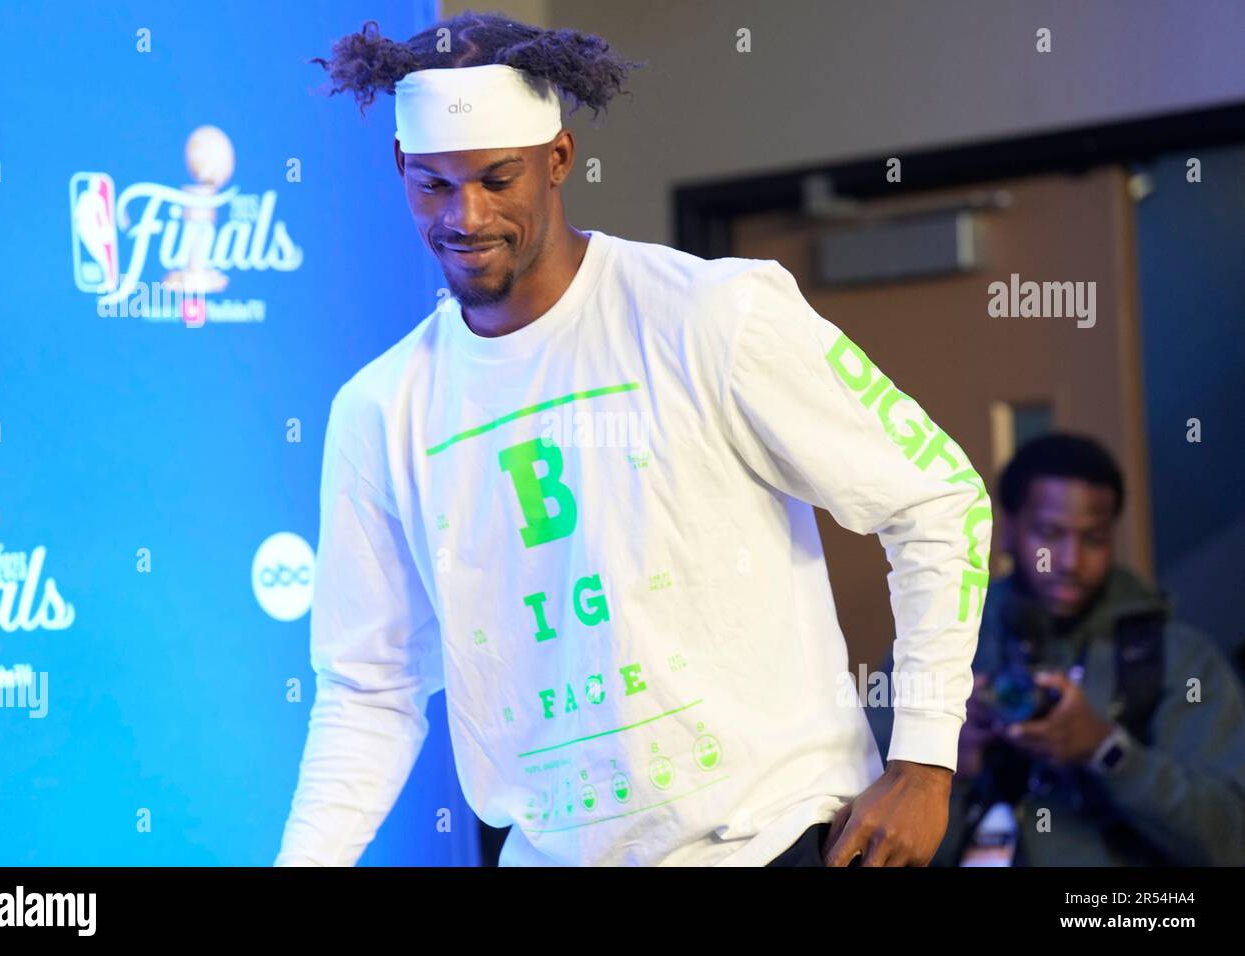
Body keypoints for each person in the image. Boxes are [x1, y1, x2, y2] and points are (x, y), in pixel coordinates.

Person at [274, 11, 992, 868]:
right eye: (433, 184)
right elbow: (369, 687)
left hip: (773, 842)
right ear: (400, 168)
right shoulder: (380, 409)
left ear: (558, 159)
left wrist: (924, 761)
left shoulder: (714, 314)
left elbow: (940, 501)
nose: (465, 215)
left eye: (497, 179)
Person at [868, 432, 1245, 865]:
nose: (1069, 561)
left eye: (1094, 539)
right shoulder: (940, 640)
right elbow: (865, 829)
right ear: (1007, 529)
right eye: (1050, 533)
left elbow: (1230, 840)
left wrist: (1107, 751)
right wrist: (940, 758)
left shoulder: (1179, 659)